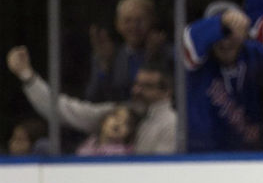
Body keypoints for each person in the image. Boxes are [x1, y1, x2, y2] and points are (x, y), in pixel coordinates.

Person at [7, 45, 177, 155]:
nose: (136, 90)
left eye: (146, 86)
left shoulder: (171, 123)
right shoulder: (121, 110)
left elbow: (160, 174)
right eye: (136, 84)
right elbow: (66, 111)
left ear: (167, 92)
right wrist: (28, 77)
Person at [182, 1, 263, 151]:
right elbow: (191, 37)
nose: (225, 42)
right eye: (220, 33)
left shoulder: (256, 55)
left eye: (231, 33)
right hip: (201, 155)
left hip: (251, 155)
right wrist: (224, 21)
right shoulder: (197, 61)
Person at [84, 0, 171, 103]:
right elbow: (92, 99)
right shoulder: (110, 55)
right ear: (118, 24)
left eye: (139, 20)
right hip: (117, 116)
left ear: (152, 21)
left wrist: (153, 58)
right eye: (127, 21)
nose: (134, 27)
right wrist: (104, 66)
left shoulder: (168, 53)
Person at [73, 104, 137, 155]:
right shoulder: (87, 146)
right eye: (116, 116)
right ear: (103, 121)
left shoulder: (125, 153)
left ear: (129, 132)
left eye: (126, 123)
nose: (119, 123)